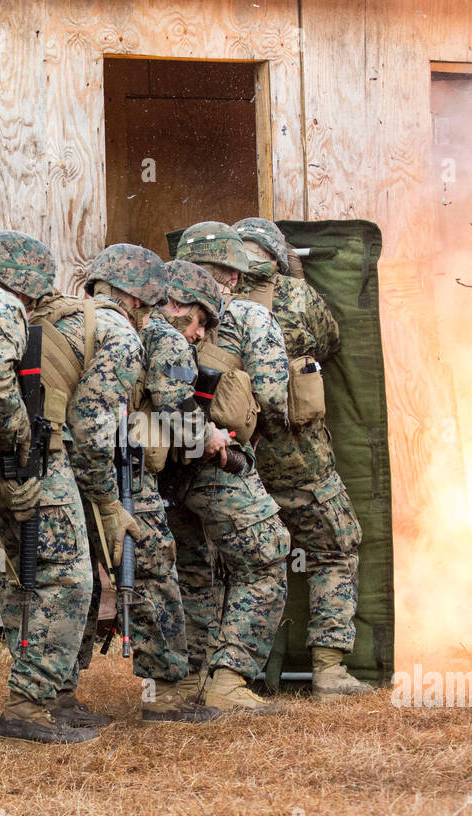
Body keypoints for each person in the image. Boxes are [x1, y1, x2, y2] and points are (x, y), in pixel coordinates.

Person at [0, 231, 101, 744]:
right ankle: (30, 704)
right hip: (24, 461)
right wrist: (20, 432)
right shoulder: (3, 308)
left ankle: (43, 696)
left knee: (18, 579)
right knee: (67, 580)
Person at [71, 243, 220, 723]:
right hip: (121, 472)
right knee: (154, 572)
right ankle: (168, 695)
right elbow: (178, 411)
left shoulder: (70, 319)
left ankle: (55, 695)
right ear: (141, 297)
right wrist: (210, 439)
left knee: (75, 581)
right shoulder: (156, 337)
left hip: (64, 469)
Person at [233, 217, 368, 695]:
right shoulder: (297, 298)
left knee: (240, 566)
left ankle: (231, 674)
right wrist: (297, 280)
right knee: (335, 551)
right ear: (274, 257)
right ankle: (329, 669)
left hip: (232, 464)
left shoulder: (210, 302)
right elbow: (330, 341)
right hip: (301, 463)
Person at [168, 225, 292, 713]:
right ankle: (229, 679)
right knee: (264, 558)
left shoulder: (157, 313)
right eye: (231, 273)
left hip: (161, 468)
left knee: (191, 572)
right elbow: (274, 399)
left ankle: (180, 685)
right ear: (227, 274)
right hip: (222, 462)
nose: (234, 284)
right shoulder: (250, 316)